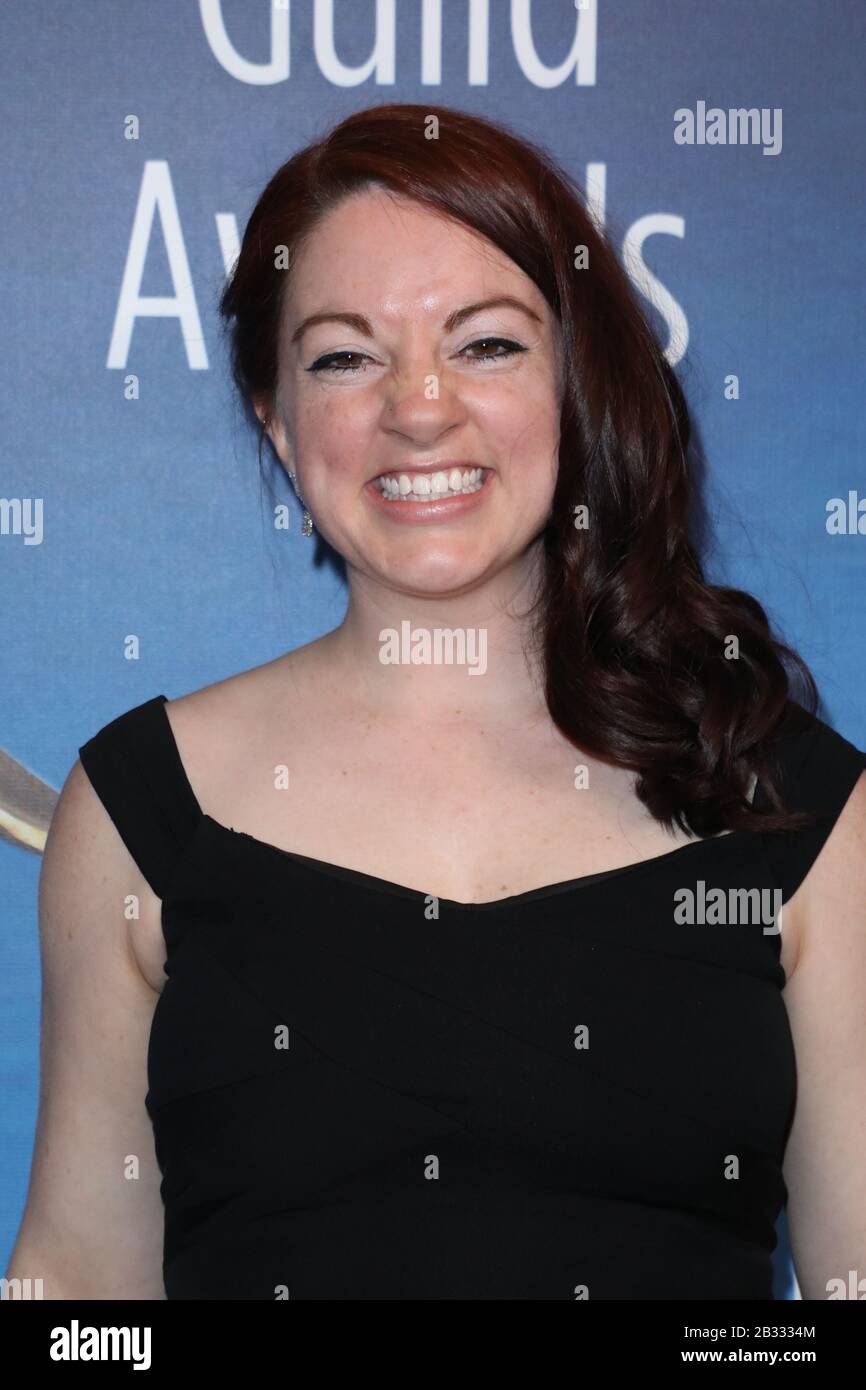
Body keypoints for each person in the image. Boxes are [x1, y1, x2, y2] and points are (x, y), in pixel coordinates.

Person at [7, 104, 865, 1301]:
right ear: (275, 416)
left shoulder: (791, 806)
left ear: (576, 380)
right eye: (344, 356)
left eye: (486, 344)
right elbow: (80, 1297)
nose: (418, 407)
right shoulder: (144, 808)